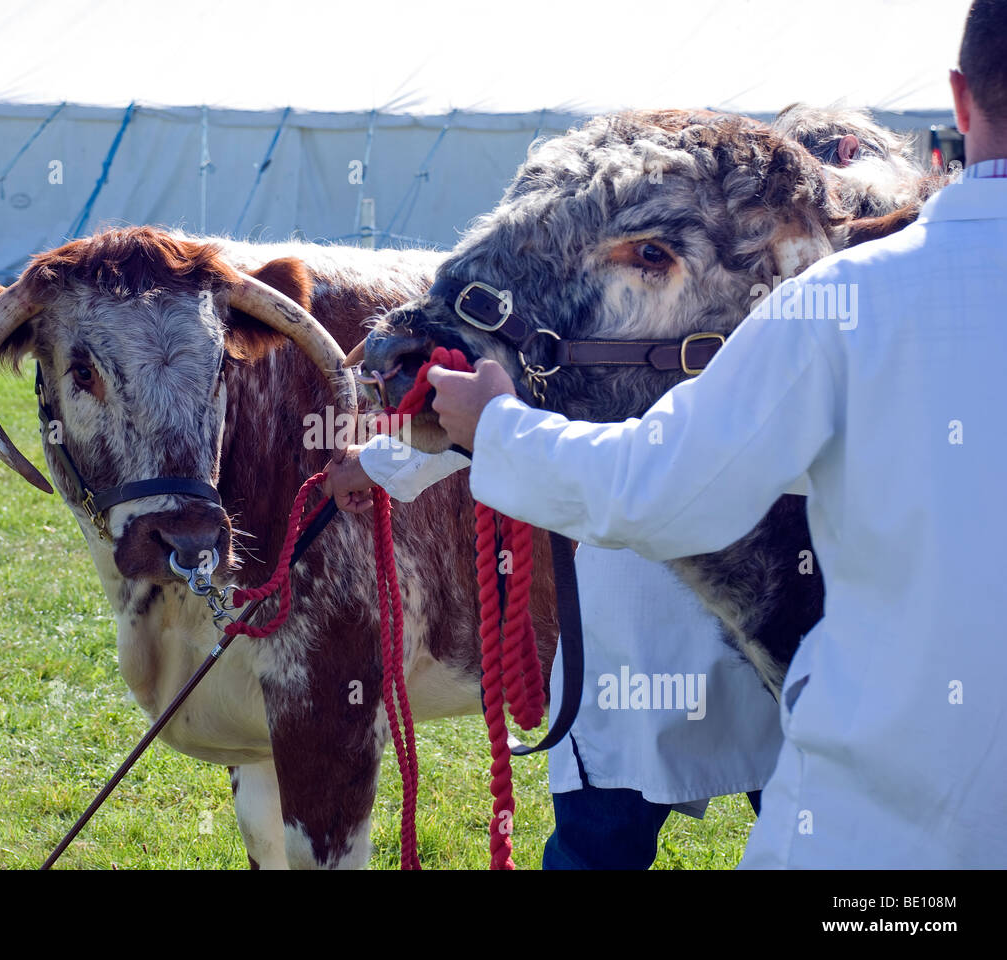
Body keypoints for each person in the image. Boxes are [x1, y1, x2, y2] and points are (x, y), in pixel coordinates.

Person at [412, 0, 1007, 868]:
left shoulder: (848, 304)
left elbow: (664, 488)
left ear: (958, 100)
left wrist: (497, 428)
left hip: (879, 835)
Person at [326, 434, 780, 871]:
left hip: (641, 622)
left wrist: (374, 464)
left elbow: (506, 407)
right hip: (780, 614)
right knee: (812, 829)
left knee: (595, 845)